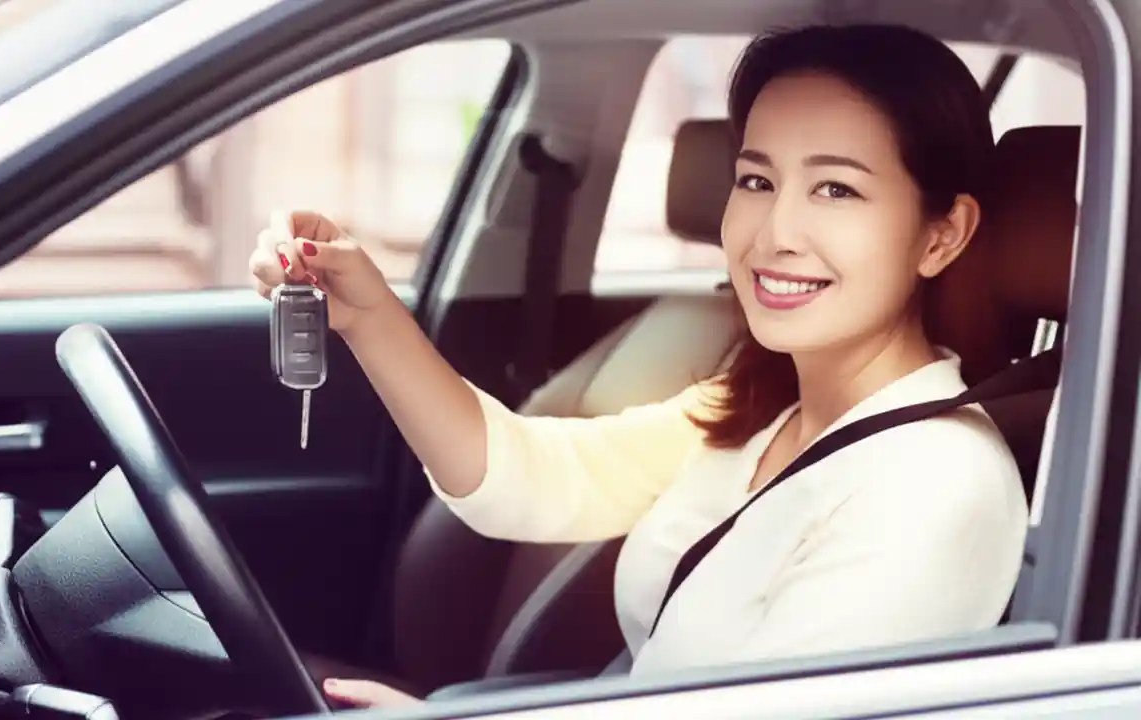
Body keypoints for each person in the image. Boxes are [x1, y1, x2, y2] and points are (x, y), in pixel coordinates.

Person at [248, 23, 1026, 710]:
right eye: (756, 180)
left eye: (836, 188)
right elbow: (534, 479)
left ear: (941, 235)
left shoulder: (939, 485)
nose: (774, 232)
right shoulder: (760, 405)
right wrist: (366, 313)